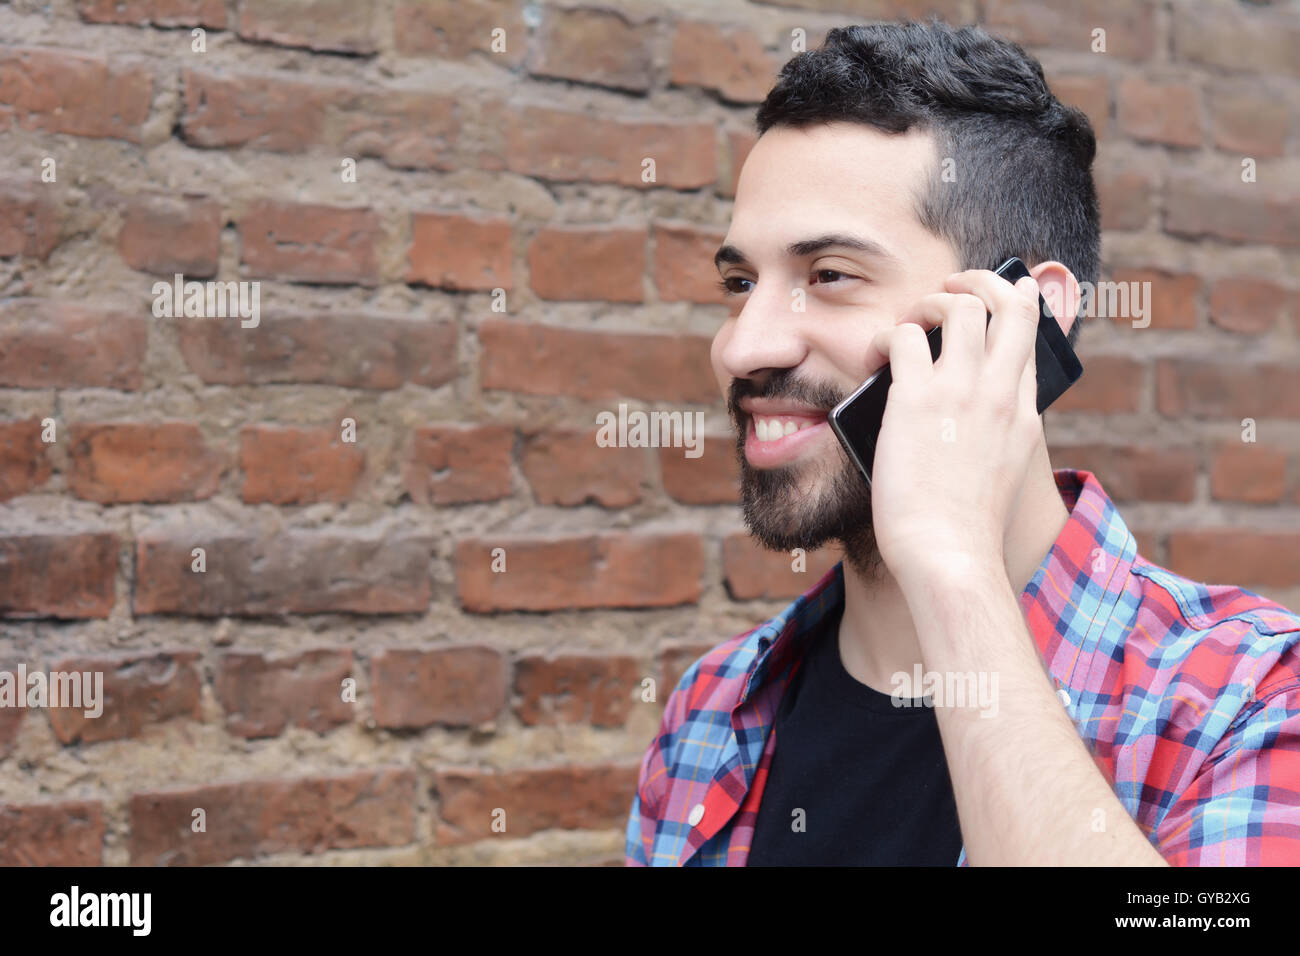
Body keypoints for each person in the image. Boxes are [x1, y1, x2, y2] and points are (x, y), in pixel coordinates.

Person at [625, 19, 1300, 866]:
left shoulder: (1248, 701)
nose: (742, 346)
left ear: (1024, 317)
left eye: (829, 275)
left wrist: (951, 564)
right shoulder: (712, 711)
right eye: (740, 283)